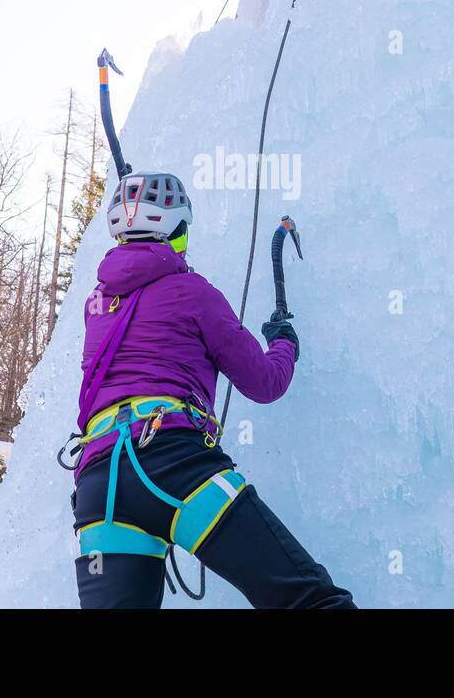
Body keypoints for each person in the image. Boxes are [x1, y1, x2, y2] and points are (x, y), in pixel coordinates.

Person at [67, 170, 355, 609]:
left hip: (99, 488)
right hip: (174, 465)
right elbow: (263, 381)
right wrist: (284, 343)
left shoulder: (96, 305)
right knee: (308, 600)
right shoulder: (192, 292)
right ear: (175, 232)